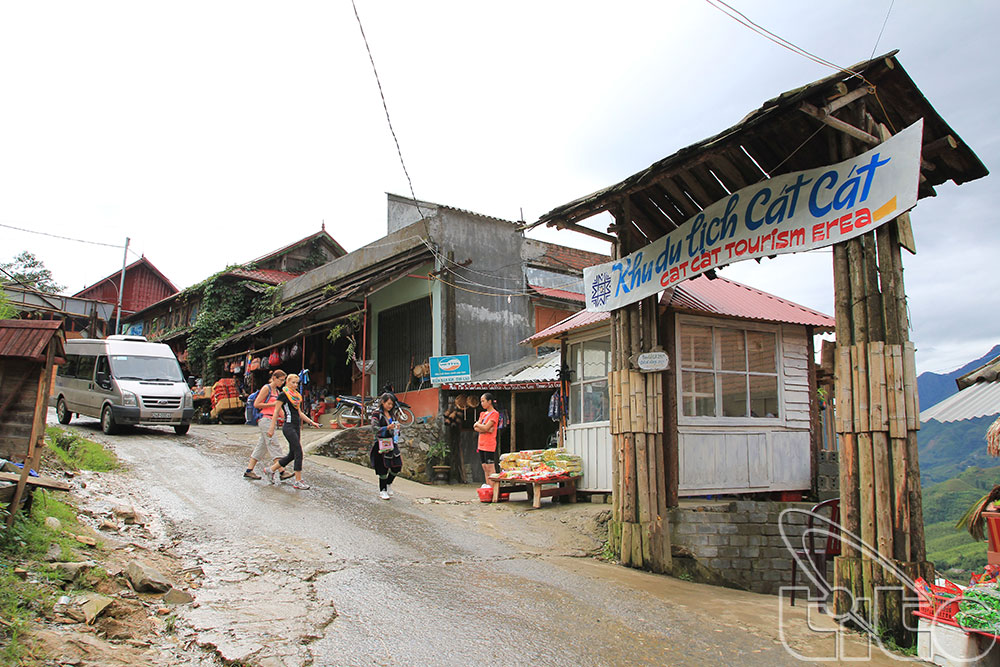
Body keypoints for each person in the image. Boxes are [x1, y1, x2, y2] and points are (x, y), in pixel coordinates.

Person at [265, 373, 319, 489]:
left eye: (297, 383)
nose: (295, 385)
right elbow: (276, 412)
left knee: (292, 454)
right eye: (293, 382)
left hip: (296, 426)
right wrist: (271, 428)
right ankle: (298, 481)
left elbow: (299, 413)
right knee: (299, 451)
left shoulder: (296, 396)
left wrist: (311, 422)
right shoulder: (283, 395)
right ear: (287, 382)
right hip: (288, 426)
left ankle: (271, 470)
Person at [244, 369, 287, 480]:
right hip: (265, 420)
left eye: (283, 380)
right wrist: (273, 403)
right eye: (281, 380)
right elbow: (257, 404)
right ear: (274, 378)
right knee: (274, 445)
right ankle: (282, 472)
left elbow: (279, 409)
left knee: (261, 447)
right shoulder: (266, 388)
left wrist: (286, 418)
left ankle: (249, 470)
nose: (282, 382)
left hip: (272, 420)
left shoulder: (277, 392)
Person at [370, 392, 403, 500]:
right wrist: (387, 428)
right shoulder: (376, 414)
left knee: (397, 465)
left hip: (392, 443)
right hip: (381, 443)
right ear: (383, 403)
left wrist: (397, 428)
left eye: (392, 404)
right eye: (388, 404)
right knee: (383, 467)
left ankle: (388, 484)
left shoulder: (392, 414)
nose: (390, 406)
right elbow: (374, 428)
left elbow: (395, 429)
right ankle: (382, 490)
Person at [473, 392, 500, 484]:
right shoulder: (482, 414)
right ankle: (488, 487)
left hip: (489, 444)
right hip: (481, 444)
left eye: (483, 401)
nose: (482, 403)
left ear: (489, 401)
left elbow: (484, 427)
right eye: (481, 401)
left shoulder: (494, 414)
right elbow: (477, 427)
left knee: (490, 467)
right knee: (484, 467)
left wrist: (481, 426)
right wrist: (482, 427)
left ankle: (494, 489)